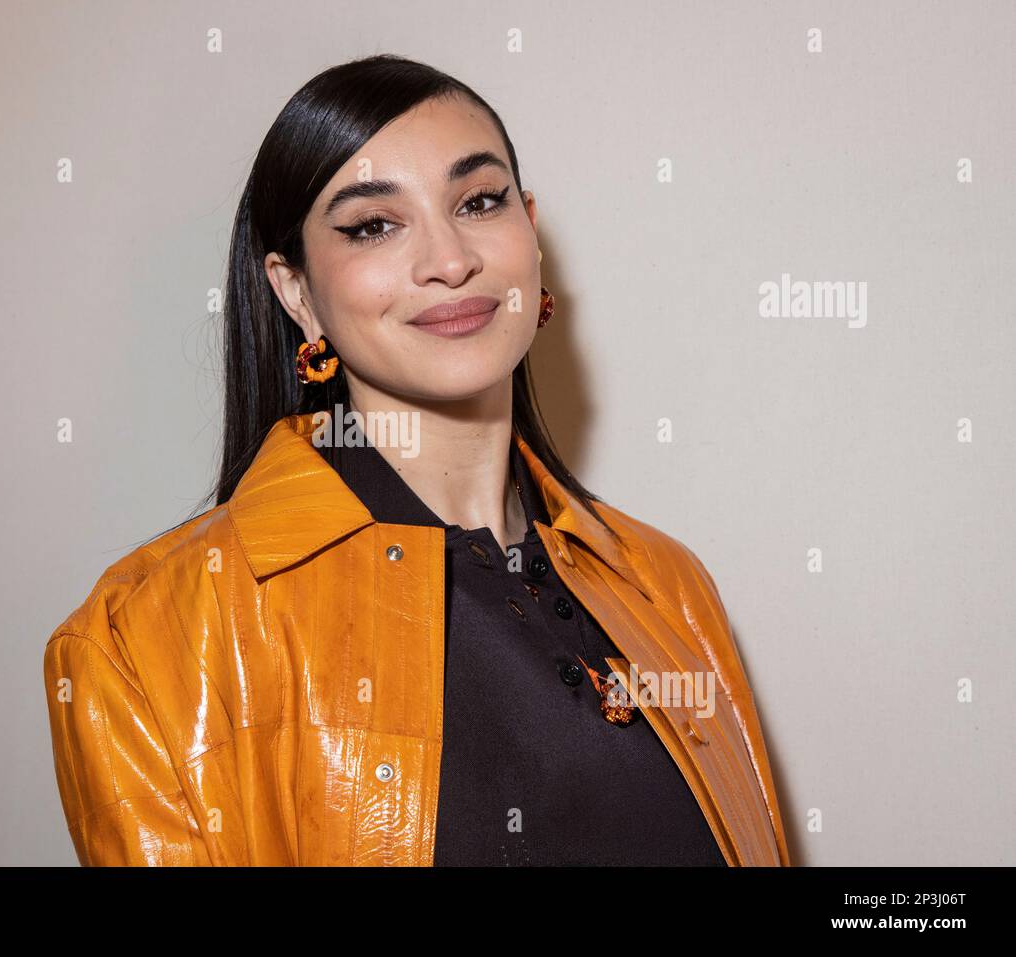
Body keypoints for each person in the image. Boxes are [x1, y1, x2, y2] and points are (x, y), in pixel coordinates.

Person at [42, 53, 790, 866]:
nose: (448, 258)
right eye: (373, 224)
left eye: (478, 201)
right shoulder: (144, 637)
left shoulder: (668, 585)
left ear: (529, 234)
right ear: (296, 293)